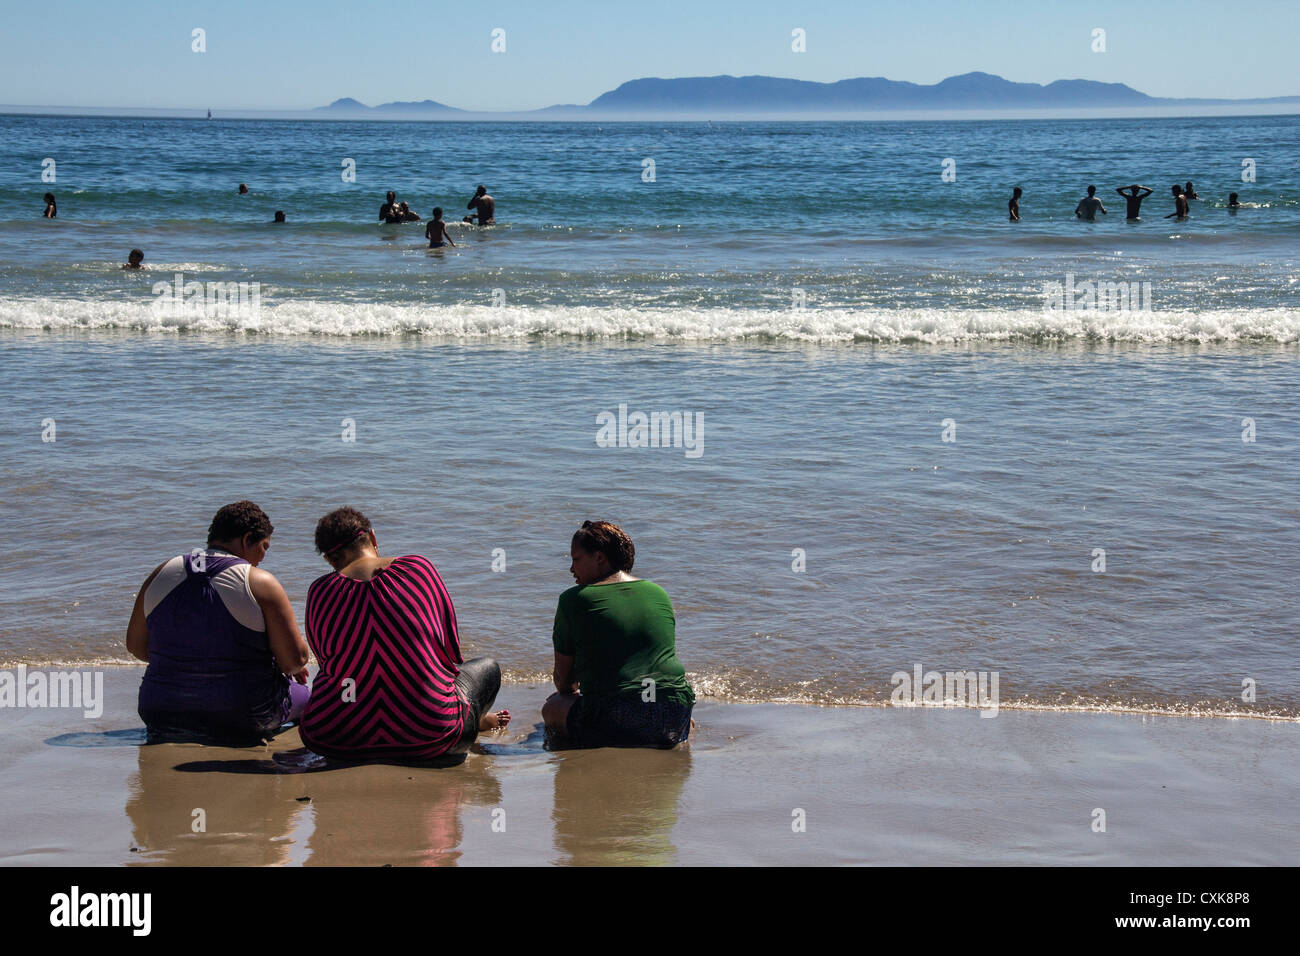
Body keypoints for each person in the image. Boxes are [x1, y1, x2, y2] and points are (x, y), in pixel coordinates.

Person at [300, 507, 509, 762]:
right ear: (373, 538)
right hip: (433, 736)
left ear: (331, 561)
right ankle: (475, 718)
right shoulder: (418, 568)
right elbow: (450, 653)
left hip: (335, 738)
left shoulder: (320, 591)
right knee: (488, 667)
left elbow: (326, 661)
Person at [125, 501, 311, 743]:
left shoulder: (162, 572)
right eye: (264, 547)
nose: (263, 558)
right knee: (305, 697)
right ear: (247, 540)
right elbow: (295, 661)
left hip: (160, 711)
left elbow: (135, 646)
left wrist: (187, 664)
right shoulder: (260, 582)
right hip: (242, 714)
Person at [542, 521, 695, 749]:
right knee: (656, 707)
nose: (571, 569)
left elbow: (564, 682)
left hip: (618, 718)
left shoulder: (574, 599)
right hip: (675, 712)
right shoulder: (658, 593)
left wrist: (572, 691)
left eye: (576, 560)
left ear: (599, 558)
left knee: (552, 707)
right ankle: (669, 733)